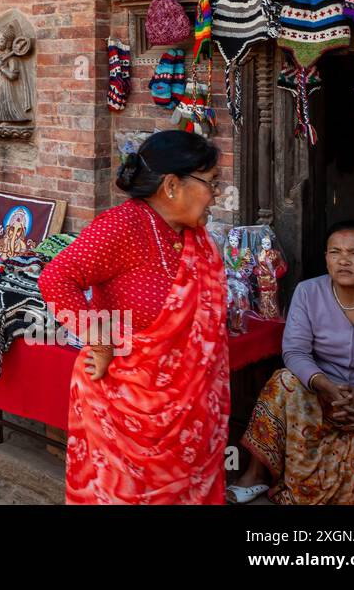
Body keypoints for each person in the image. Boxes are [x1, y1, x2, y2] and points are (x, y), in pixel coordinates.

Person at [38, 129, 227, 504]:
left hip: (190, 420)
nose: (216, 195)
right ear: (172, 186)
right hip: (124, 413)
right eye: (211, 183)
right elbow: (57, 279)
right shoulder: (122, 225)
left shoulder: (196, 238)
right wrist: (100, 339)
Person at [228, 221, 354, 504]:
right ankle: (256, 474)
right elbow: (295, 351)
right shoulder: (308, 293)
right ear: (326, 259)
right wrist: (323, 385)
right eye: (334, 252)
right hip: (321, 393)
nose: (343, 260)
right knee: (284, 380)